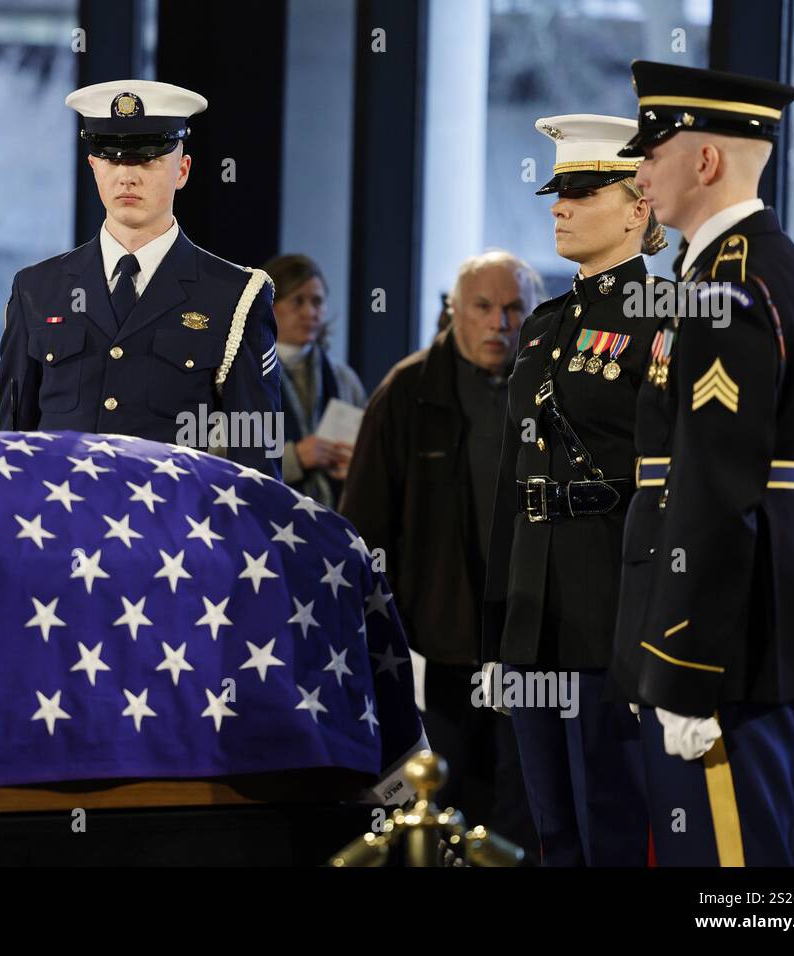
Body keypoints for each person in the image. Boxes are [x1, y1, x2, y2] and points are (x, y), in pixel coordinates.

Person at [611, 61, 794, 866]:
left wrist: (684, 669)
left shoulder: (726, 288)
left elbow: (715, 492)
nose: (640, 173)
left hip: (722, 654)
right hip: (772, 636)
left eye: (653, 154)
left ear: (705, 161)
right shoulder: (793, 276)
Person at [481, 114, 668, 866]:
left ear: (638, 204)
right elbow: (511, 480)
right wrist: (497, 621)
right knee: (548, 822)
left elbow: (674, 478)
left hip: (611, 606)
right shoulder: (546, 326)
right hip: (535, 609)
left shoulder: (664, 317)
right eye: (558, 192)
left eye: (583, 191)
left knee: (611, 818)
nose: (558, 206)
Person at [340, 249, 543, 856]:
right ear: (456, 310)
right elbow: (364, 527)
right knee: (434, 808)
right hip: (434, 650)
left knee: (521, 811)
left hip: (529, 645)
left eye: (514, 309)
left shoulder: (549, 394)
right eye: (483, 308)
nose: (499, 324)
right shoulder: (407, 392)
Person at [0, 80, 282, 476]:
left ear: (181, 171)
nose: (126, 177)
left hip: (175, 529)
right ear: (93, 166)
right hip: (61, 528)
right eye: (111, 159)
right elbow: (12, 444)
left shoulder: (234, 296)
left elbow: (256, 456)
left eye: (147, 159)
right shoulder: (37, 290)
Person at [261, 254, 365, 506]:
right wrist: (295, 459)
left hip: (336, 517)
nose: (310, 312)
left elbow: (370, 449)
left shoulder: (344, 379)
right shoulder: (240, 375)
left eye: (317, 302)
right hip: (264, 521)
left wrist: (357, 464)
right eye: (297, 301)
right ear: (268, 305)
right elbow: (219, 460)